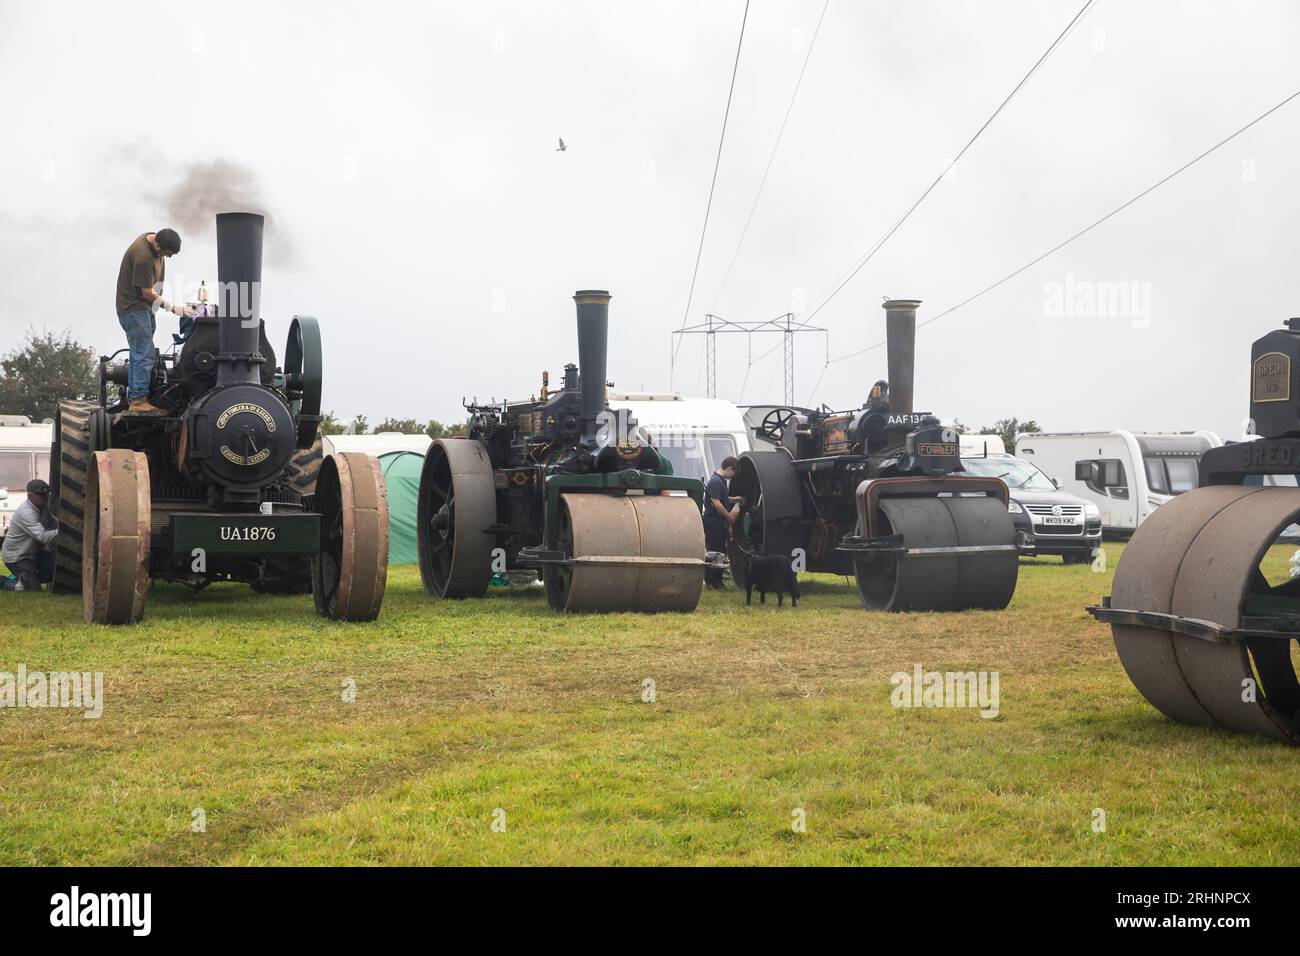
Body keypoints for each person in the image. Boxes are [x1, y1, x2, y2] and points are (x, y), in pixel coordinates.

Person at [115, 228, 192, 415]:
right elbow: (147, 293)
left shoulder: (153, 238)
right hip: (134, 310)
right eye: (167, 254)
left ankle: (137, 396)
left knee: (139, 353)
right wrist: (175, 309)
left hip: (143, 309)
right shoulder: (142, 257)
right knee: (144, 353)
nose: (169, 258)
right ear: (157, 245)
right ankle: (139, 401)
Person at [2, 479, 58, 591]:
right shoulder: (26, 512)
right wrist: (63, 531)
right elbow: (43, 537)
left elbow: (54, 522)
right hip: (18, 558)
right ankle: (9, 581)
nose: (46, 498)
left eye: (47, 494)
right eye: (42, 495)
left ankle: (25, 577)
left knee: (60, 569)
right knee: (32, 589)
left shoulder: (40, 506)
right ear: (30, 496)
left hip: (32, 554)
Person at [702, 456, 740, 589]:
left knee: (720, 552)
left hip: (718, 523)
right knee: (714, 552)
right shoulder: (716, 482)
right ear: (729, 469)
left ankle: (717, 581)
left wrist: (736, 499)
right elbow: (717, 504)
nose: (732, 476)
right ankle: (711, 581)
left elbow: (722, 498)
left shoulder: (720, 482)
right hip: (713, 523)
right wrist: (729, 517)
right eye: (733, 473)